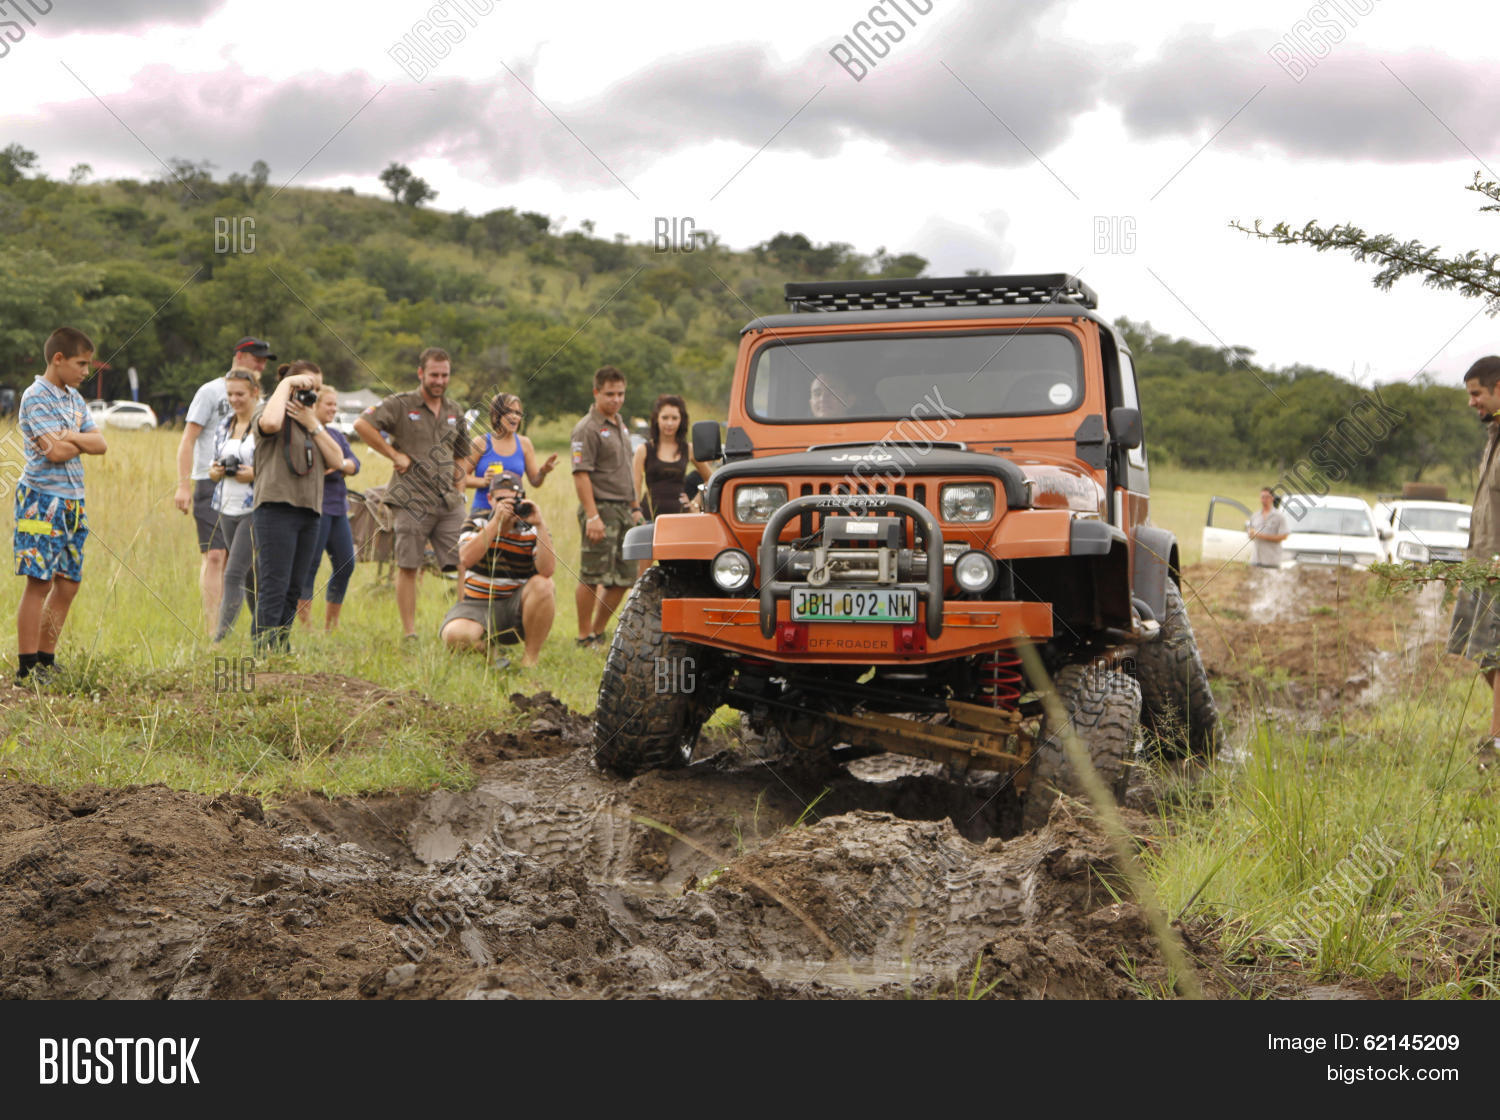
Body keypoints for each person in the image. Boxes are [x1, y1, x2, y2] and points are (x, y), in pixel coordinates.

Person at [353, 347, 470, 641]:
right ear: (421, 373)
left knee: (466, 561)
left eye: (444, 375)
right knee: (408, 565)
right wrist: (393, 454)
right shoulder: (401, 404)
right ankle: (410, 633)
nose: (439, 381)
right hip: (411, 500)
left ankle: (465, 626)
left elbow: (462, 454)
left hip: (448, 501)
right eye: (434, 374)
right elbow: (362, 425)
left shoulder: (455, 410)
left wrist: (460, 487)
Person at [13, 327, 107, 684]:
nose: (86, 371)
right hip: (40, 503)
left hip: (72, 503)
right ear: (58, 359)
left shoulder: (74, 399)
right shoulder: (35, 397)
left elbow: (101, 444)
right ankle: (26, 665)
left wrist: (70, 436)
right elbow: (55, 452)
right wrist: (73, 440)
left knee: (67, 582)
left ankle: (46, 659)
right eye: (81, 363)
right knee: (38, 580)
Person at [173, 337, 273, 634]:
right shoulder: (210, 392)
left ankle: (260, 627)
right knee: (215, 555)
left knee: (243, 562)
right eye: (258, 359)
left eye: (265, 361)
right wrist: (183, 485)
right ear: (240, 356)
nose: (262, 365)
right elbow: (188, 439)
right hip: (209, 481)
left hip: (250, 491)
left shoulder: (263, 405)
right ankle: (214, 629)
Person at [250, 361, 347, 652]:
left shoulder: (312, 424)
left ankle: (281, 646)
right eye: (306, 387)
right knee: (274, 585)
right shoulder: (268, 412)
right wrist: (285, 387)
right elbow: (269, 424)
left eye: (317, 389)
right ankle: (262, 651)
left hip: (309, 511)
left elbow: (338, 460)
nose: (312, 394)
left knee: (294, 587)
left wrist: (312, 423)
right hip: (275, 508)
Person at [440, 470, 556, 669]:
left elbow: (547, 570)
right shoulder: (477, 521)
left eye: (513, 500)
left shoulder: (532, 527)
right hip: (476, 605)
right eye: (501, 499)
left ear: (523, 499)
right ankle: (491, 655)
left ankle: (530, 659)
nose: (507, 505)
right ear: (490, 499)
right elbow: (466, 559)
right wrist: (496, 524)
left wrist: (541, 525)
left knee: (544, 585)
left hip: (515, 605)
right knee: (454, 636)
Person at [1448, 355, 1500, 771]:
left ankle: (1496, 743)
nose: (1472, 402)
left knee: (1498, 656)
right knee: (1480, 653)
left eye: (1477, 393)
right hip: (1479, 564)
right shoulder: (1492, 436)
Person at [570, 365, 642, 646]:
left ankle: (598, 632)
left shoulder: (620, 423)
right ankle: (583, 634)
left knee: (625, 576)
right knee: (593, 574)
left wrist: (636, 507)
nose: (616, 399)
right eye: (610, 394)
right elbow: (581, 474)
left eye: (621, 394)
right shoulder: (587, 428)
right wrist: (592, 515)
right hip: (600, 508)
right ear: (596, 392)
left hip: (624, 508)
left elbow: (626, 470)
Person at [294, 387, 360, 631]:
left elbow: (355, 464)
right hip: (315, 508)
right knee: (309, 565)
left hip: (338, 509)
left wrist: (339, 463)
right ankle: (305, 626)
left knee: (346, 563)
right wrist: (339, 465)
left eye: (335, 405)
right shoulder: (304, 436)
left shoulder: (336, 435)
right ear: (315, 406)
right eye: (328, 405)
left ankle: (332, 625)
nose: (333, 409)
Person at [631, 394, 710, 576]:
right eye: (665, 418)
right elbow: (635, 484)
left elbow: (711, 479)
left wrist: (695, 504)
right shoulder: (644, 449)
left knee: (680, 574)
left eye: (674, 418)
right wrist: (635, 512)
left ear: (681, 421)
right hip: (649, 518)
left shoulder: (688, 449)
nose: (669, 423)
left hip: (679, 519)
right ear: (656, 419)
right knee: (642, 576)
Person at [209, 369, 259, 641]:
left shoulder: (263, 426)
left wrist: (255, 472)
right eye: (230, 394)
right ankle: (261, 633)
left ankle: (220, 640)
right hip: (226, 505)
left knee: (233, 573)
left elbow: (273, 467)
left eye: (240, 393)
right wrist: (215, 472)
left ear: (254, 392)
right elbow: (213, 466)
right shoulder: (224, 425)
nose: (234, 399)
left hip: (253, 508)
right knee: (249, 574)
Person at [463, 392, 557, 513]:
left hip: (515, 513)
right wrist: (484, 481)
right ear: (496, 415)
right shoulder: (481, 442)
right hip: (483, 511)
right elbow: (460, 478)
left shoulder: (524, 443)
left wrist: (543, 472)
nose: (514, 417)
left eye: (518, 413)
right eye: (509, 412)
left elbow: (535, 482)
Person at [1246, 486, 1289, 568]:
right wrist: (1251, 534)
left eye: (1267, 497)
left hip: (1271, 561)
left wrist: (1260, 536)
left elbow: (1284, 536)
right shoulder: (1255, 516)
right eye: (1262, 497)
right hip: (1256, 560)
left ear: (1272, 498)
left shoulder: (1279, 516)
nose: (1264, 500)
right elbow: (1250, 534)